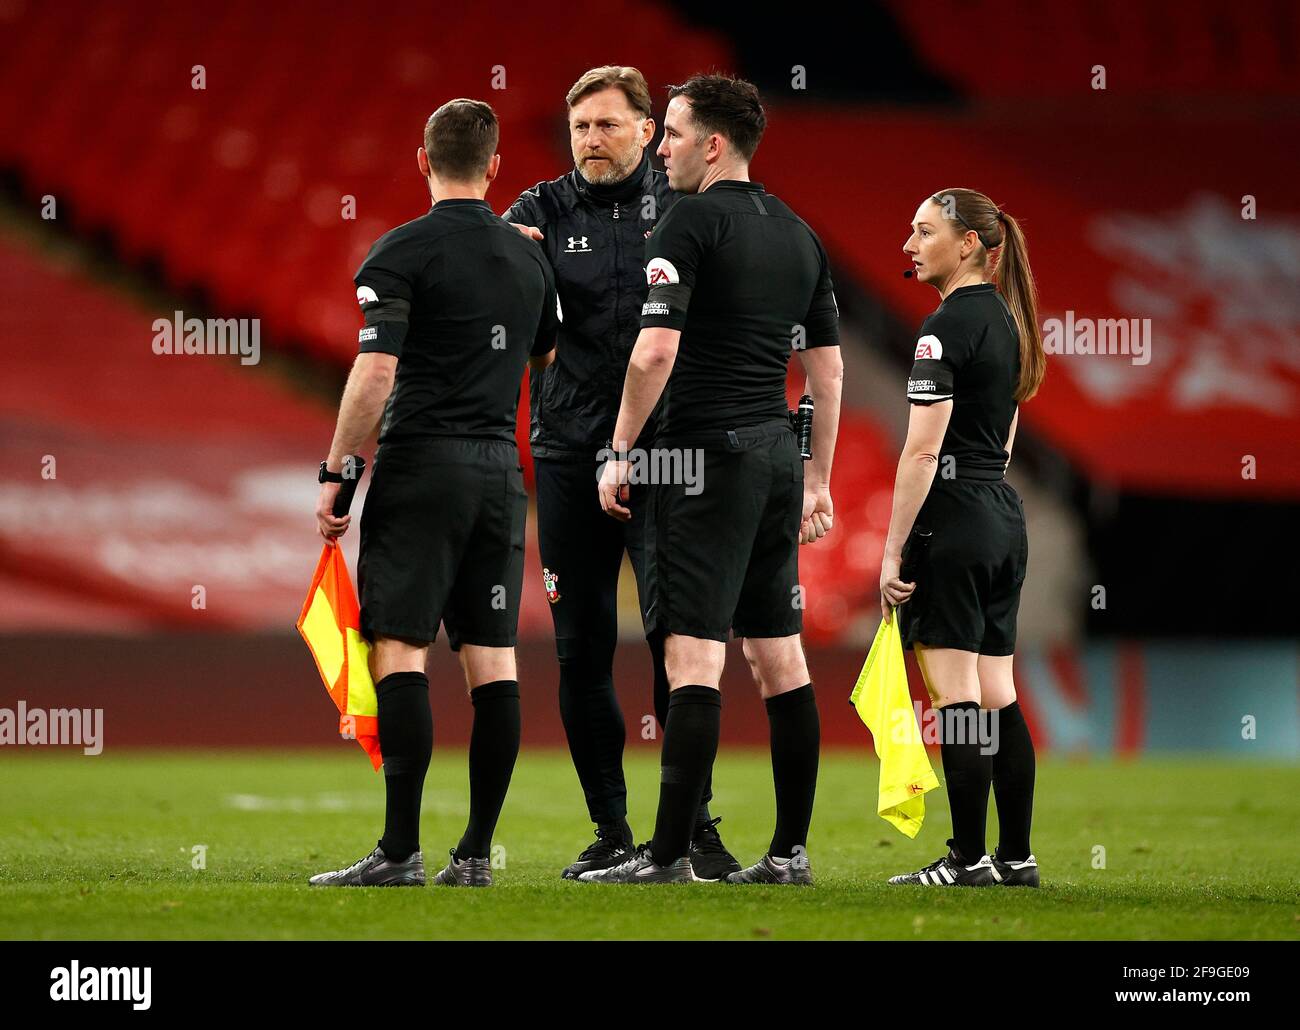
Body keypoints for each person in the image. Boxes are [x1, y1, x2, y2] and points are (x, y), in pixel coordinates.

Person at [581, 74, 843, 885]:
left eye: (675, 135)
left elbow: (655, 351)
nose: (663, 150)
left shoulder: (690, 221)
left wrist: (621, 447)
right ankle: (789, 854)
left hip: (704, 462)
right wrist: (819, 480)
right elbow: (827, 375)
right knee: (780, 659)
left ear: (714, 145)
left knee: (694, 660)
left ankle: (663, 860)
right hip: (772, 458)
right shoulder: (800, 233)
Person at [308, 99, 558, 888]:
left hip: (422, 466)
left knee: (400, 647)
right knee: (493, 659)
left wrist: (340, 471)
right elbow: (548, 358)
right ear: (494, 169)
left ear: (422, 161)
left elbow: (376, 372)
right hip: (499, 472)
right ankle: (476, 856)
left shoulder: (398, 253)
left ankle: (399, 852)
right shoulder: (531, 260)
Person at [501, 65, 739, 881]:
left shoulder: (684, 209)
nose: (591, 142)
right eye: (580, 129)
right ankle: (611, 830)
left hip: (663, 455)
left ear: (647, 129)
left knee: (681, 645)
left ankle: (689, 830)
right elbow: (492, 291)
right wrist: (508, 258)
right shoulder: (536, 211)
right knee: (581, 649)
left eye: (607, 126)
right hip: (569, 453)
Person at [882, 187, 1044, 888]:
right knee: (998, 692)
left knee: (956, 700)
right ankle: (1015, 858)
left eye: (924, 232)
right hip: (1001, 515)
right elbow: (1005, 435)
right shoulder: (1008, 323)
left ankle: (967, 859)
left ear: (970, 244)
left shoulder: (942, 328)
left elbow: (921, 452)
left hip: (951, 517)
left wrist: (891, 550)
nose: (910, 246)